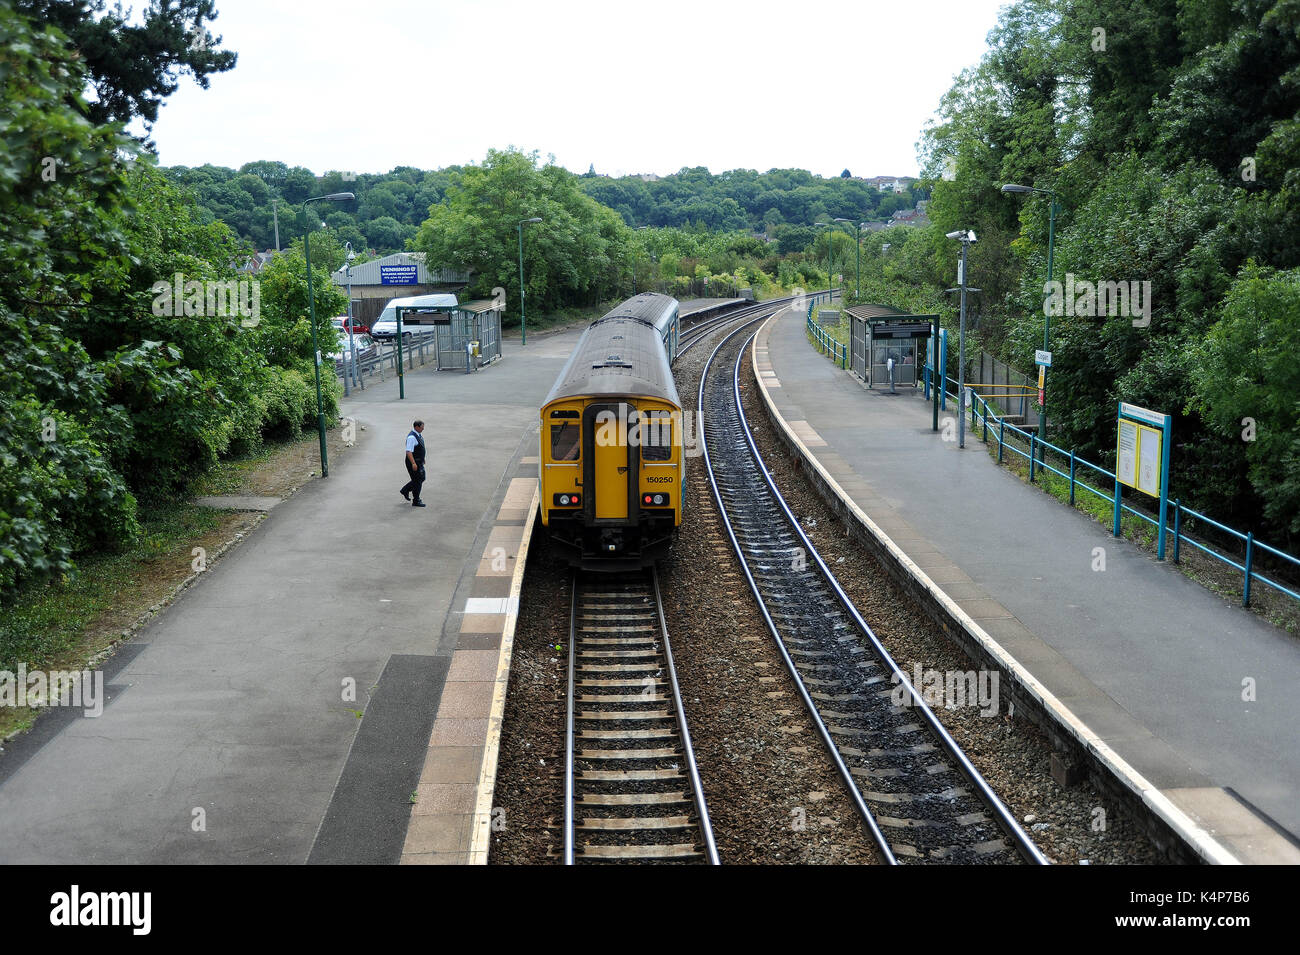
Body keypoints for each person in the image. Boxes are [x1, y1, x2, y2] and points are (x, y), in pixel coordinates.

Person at [400, 420, 427, 507]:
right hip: (413, 462)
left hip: (418, 461)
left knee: (421, 478)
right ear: (417, 427)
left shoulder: (418, 435)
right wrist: (413, 463)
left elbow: (419, 448)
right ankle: (416, 500)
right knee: (418, 481)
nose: (423, 429)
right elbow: (409, 452)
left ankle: (405, 490)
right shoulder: (412, 437)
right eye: (422, 427)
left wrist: (422, 458)